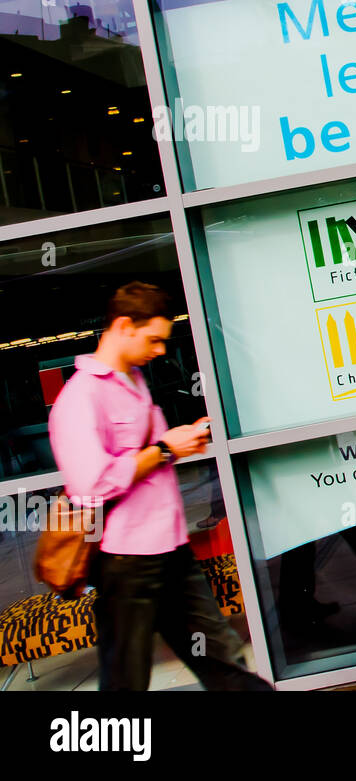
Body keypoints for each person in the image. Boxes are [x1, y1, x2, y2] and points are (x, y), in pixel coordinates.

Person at [48, 282, 272, 691]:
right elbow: (89, 484)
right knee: (125, 681)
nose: (160, 350)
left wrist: (178, 443)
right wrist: (166, 448)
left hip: (170, 550)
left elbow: (147, 456)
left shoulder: (133, 382)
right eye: (153, 339)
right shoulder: (81, 396)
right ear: (123, 326)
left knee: (222, 662)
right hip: (126, 561)